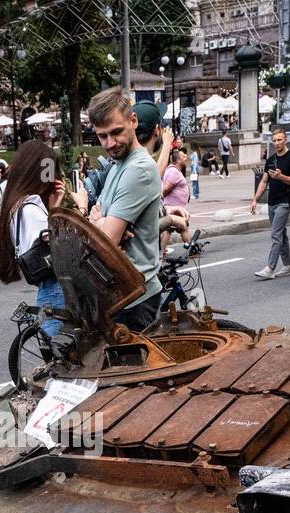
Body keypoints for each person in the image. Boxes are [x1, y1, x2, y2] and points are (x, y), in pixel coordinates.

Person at [82, 89, 167, 331]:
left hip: (135, 298)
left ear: (133, 121)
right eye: (102, 136)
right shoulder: (119, 165)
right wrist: (101, 222)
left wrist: (101, 224)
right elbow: (97, 218)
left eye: (116, 132)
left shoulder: (138, 169)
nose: (110, 143)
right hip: (120, 294)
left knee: (137, 369)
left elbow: (106, 240)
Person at [0, 141, 68, 335]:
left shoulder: (18, 204)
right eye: (48, 171)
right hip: (56, 288)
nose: (51, 178)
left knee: (57, 352)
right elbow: (59, 246)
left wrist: (52, 207)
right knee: (61, 356)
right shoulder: (31, 210)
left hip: (47, 288)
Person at [250, 128, 290, 280]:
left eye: (279, 140)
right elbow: (264, 180)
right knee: (282, 234)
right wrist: (255, 199)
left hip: (285, 201)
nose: (277, 143)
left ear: (285, 140)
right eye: (274, 140)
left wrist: (281, 177)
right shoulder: (271, 159)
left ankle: (270, 268)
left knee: (275, 234)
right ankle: (288, 266)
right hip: (272, 201)